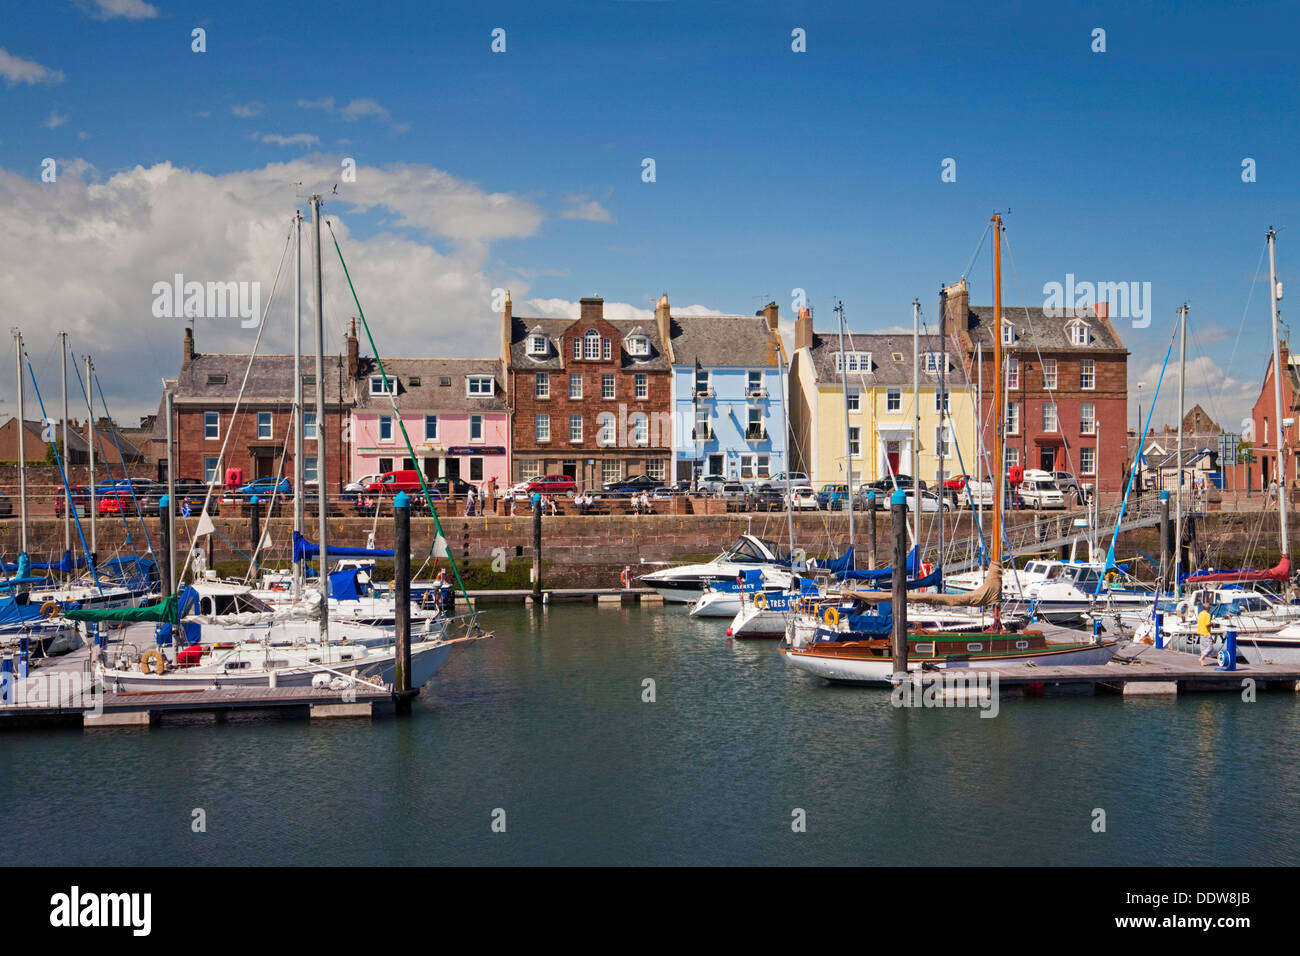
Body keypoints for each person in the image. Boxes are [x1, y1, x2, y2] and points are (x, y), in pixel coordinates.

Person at [1197, 601, 1215, 666]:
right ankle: (1201, 658)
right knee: (1210, 647)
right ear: (1209, 608)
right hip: (1206, 632)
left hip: (1200, 632)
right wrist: (1212, 624)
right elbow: (1207, 624)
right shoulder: (1208, 615)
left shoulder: (1200, 614)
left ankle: (1202, 662)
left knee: (1203, 648)